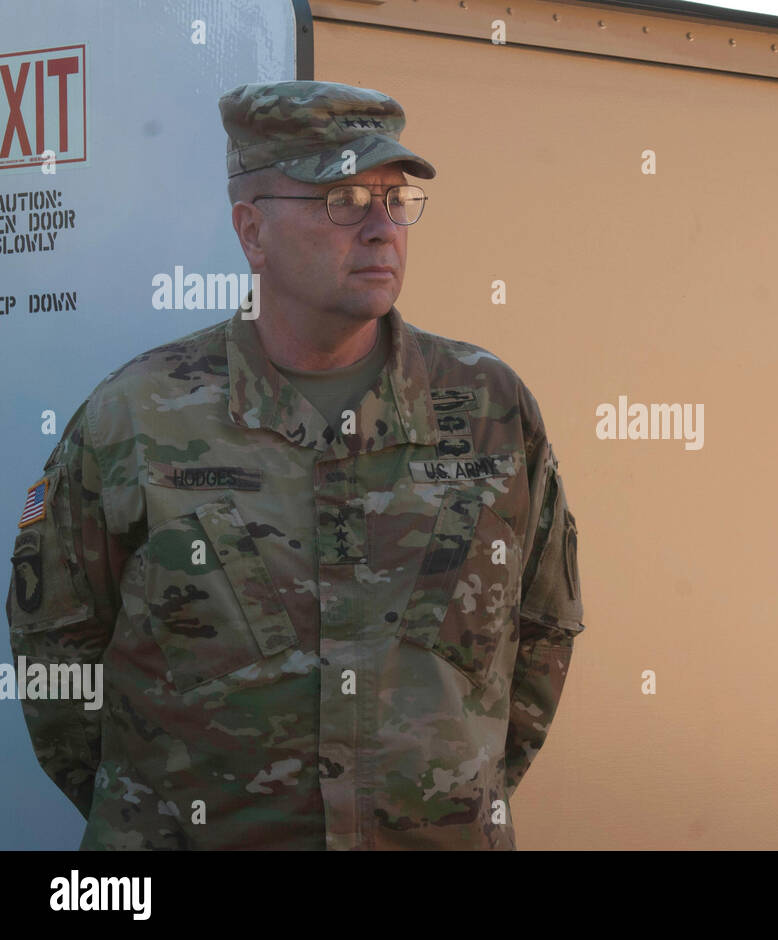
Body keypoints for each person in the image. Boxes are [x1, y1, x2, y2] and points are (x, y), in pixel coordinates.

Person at [5, 80, 585, 849]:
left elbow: (543, 635)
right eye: (343, 198)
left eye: (395, 197)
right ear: (253, 231)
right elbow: (58, 657)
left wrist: (439, 803)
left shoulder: (489, 409)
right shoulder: (137, 419)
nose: (383, 229)